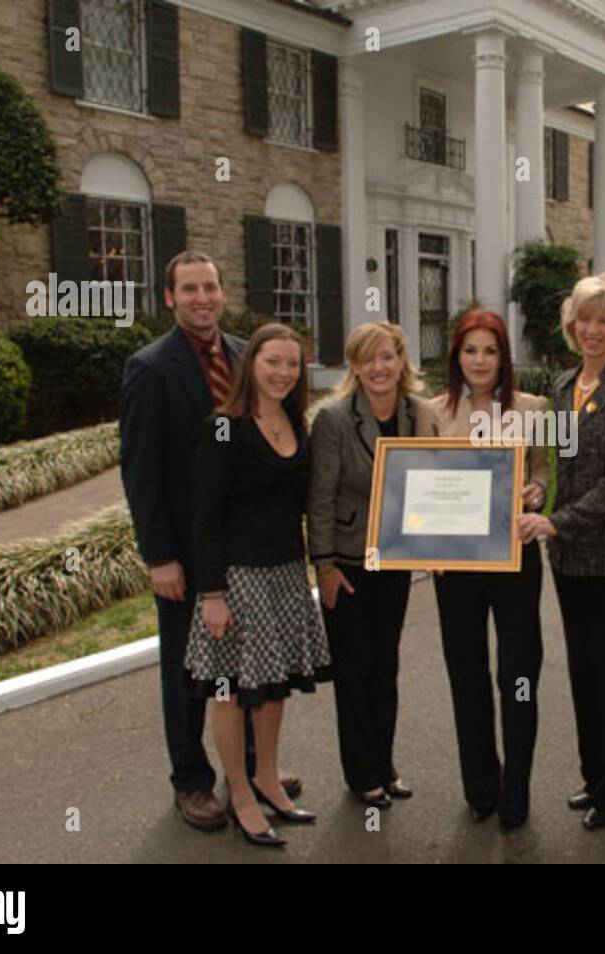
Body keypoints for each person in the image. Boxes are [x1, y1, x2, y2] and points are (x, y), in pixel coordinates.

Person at [120, 251, 300, 832]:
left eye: (211, 287)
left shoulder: (250, 356)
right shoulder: (150, 368)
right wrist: (160, 556)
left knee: (244, 666)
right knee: (189, 671)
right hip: (186, 552)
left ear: (223, 293)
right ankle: (192, 781)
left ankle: (245, 774)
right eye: (190, 289)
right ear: (169, 297)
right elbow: (140, 471)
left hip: (246, 551)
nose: (203, 297)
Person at [518, 270, 605, 832]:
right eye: (585, 320)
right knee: (583, 672)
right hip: (572, 559)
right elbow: (567, 468)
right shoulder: (563, 387)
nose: (594, 329)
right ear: (571, 326)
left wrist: (556, 521)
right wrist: (536, 491)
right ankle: (594, 775)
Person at [186, 323, 330, 847]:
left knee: (273, 688)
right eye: (273, 362)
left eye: (292, 364)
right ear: (252, 366)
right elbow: (206, 517)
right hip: (239, 580)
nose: (283, 373)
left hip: (288, 575)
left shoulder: (296, 422)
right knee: (230, 692)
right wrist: (213, 595)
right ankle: (241, 793)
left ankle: (268, 778)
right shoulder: (225, 427)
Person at [416, 309, 548, 831]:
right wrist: (424, 543)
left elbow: (538, 474)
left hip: (515, 561)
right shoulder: (431, 412)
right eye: (470, 350)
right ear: (457, 356)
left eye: (490, 351)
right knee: (466, 676)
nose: (479, 360)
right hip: (455, 567)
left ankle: (517, 788)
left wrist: (536, 492)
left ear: (503, 357)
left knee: (517, 676)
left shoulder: (532, 408)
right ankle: (480, 787)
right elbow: (420, 484)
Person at [309, 322, 424, 809]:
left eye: (387, 357)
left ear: (402, 362)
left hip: (395, 559)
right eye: (368, 359)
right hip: (349, 563)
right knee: (353, 670)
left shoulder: (418, 413)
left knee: (386, 667)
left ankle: (385, 763)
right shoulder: (334, 419)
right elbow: (319, 499)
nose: (379, 368)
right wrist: (325, 567)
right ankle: (363, 775)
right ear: (354, 367)